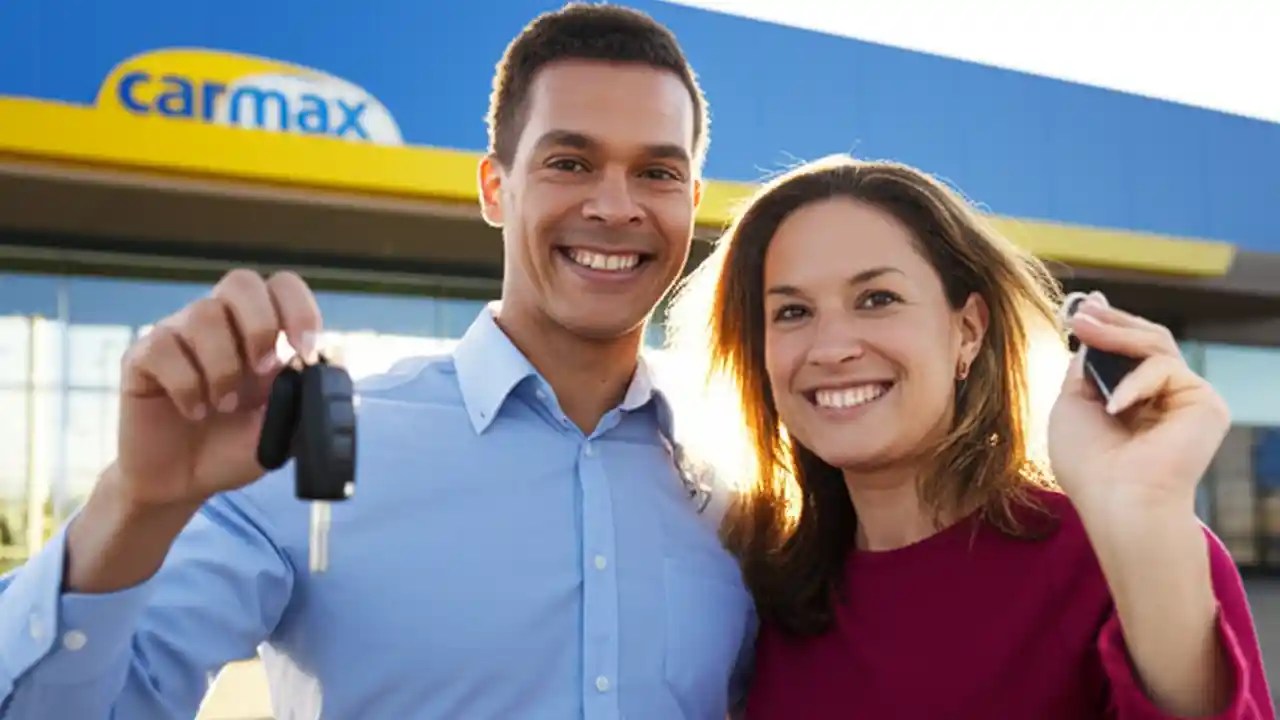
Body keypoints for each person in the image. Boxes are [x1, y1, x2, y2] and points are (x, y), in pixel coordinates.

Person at [0, 4, 755, 718]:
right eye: (569, 161)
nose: (615, 206)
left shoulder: (734, 511)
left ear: (692, 199)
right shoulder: (305, 453)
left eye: (656, 173)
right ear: (496, 188)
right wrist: (135, 504)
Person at [663, 154, 1274, 718]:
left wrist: (1143, 520)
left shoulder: (1120, 553)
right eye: (792, 312)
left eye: (877, 298)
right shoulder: (757, 582)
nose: (831, 348)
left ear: (969, 330)